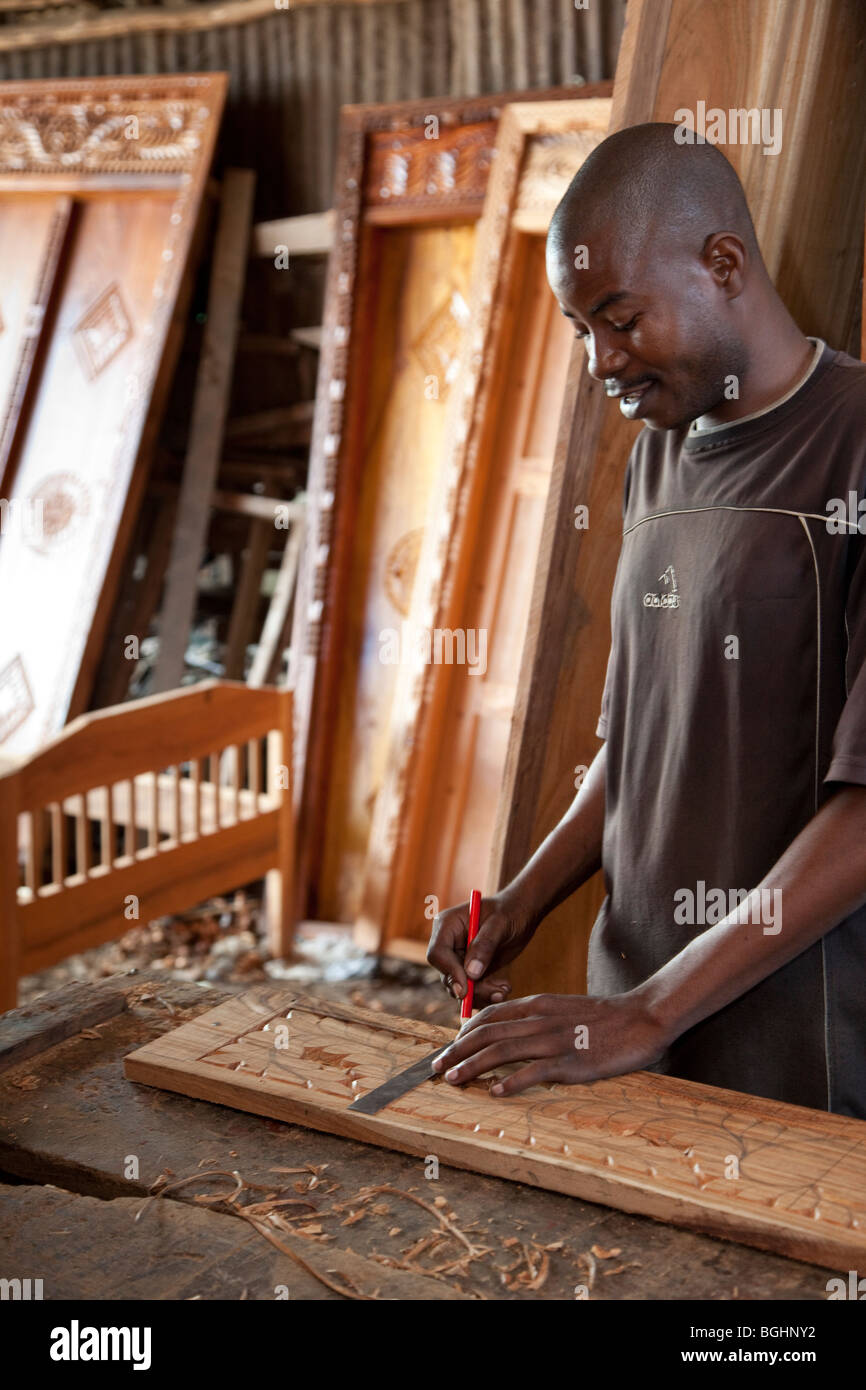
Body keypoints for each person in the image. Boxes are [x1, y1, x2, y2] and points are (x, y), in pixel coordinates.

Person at [427, 122, 866, 1118]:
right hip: (634, 1030)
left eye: (618, 319)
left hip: (801, 1057)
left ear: (720, 265)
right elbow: (637, 743)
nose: (598, 362)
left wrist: (649, 1010)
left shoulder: (852, 445)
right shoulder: (658, 461)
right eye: (581, 331)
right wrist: (520, 901)